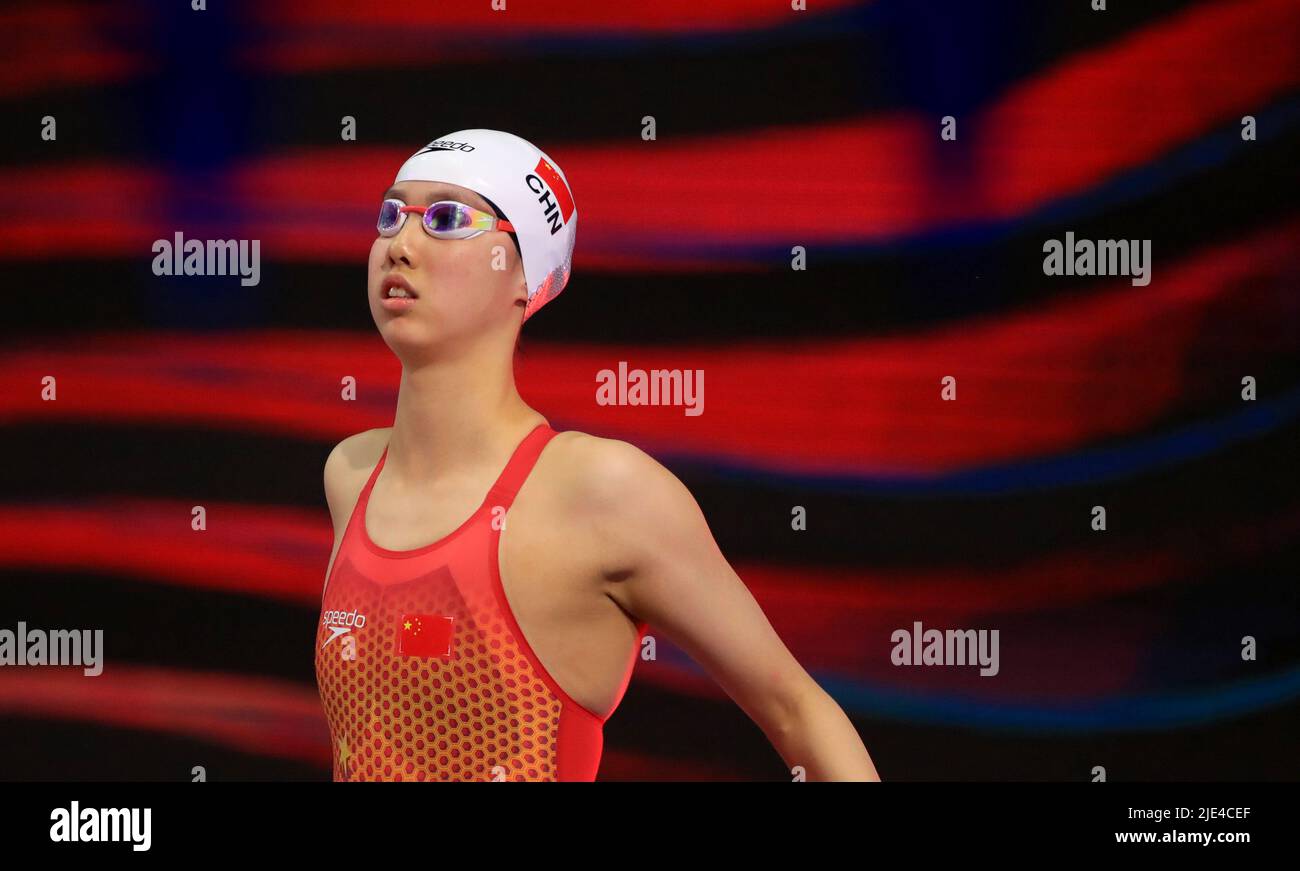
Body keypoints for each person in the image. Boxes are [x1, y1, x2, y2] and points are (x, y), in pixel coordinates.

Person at [313, 129, 880, 781]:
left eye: (446, 219)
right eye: (390, 214)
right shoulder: (351, 476)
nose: (400, 246)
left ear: (525, 276)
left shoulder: (602, 492)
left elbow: (798, 710)